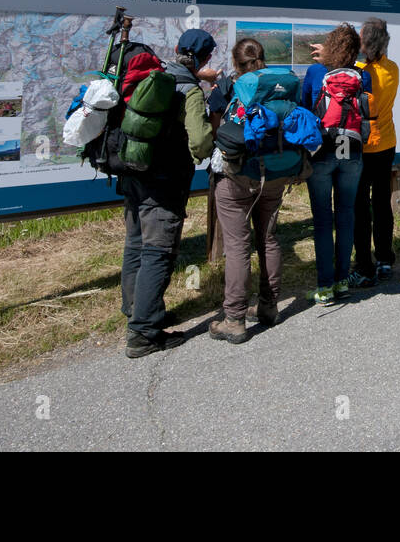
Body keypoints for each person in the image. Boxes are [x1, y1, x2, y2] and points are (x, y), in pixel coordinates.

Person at [121, 28, 216, 358]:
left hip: (133, 173)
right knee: (158, 251)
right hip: (164, 182)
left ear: (176, 49)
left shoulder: (155, 74)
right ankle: (143, 334)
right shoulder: (189, 91)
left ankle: (138, 311)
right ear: (204, 59)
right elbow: (201, 143)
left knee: (135, 243)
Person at [206, 38, 290, 344]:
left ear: (235, 62)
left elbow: (216, 131)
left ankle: (235, 319)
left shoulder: (229, 88)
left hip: (236, 176)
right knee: (268, 239)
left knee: (238, 246)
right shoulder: (278, 84)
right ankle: (268, 307)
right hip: (274, 174)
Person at [301, 24, 367, 305]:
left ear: (329, 47)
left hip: (323, 151)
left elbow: (304, 106)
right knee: (346, 215)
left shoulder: (316, 72)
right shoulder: (362, 75)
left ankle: (325, 286)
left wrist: (324, 61)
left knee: (323, 220)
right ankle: (342, 281)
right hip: (351, 151)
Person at [351, 18, 400, 287]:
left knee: (360, 206)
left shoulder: (357, 70)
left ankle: (364, 266)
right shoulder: (392, 69)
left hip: (361, 145)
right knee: (382, 202)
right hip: (386, 143)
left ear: (364, 42)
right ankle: (384, 260)